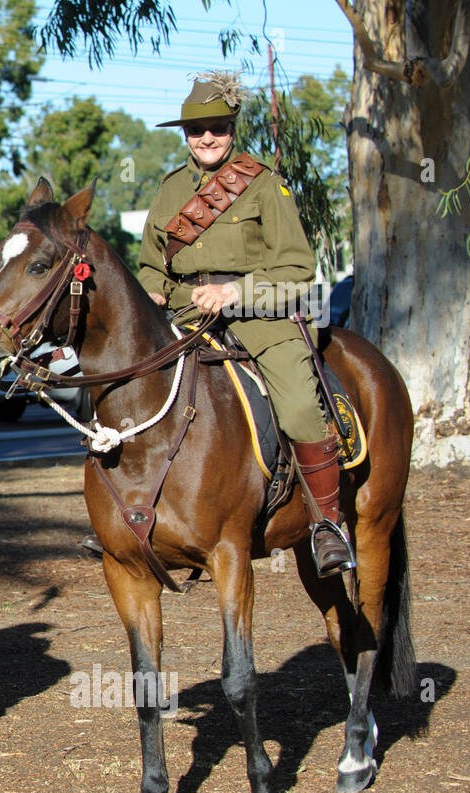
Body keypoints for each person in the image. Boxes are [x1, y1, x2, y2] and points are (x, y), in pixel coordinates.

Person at [135, 71, 353, 577]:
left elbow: (297, 268)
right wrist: (152, 290)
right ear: (183, 134)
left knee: (299, 405)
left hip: (259, 315)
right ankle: (140, 518)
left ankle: (327, 524)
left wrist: (235, 291)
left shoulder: (264, 185)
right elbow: (150, 264)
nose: (206, 138)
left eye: (216, 127)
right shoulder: (169, 192)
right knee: (132, 391)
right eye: (195, 129)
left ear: (232, 128)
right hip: (187, 316)